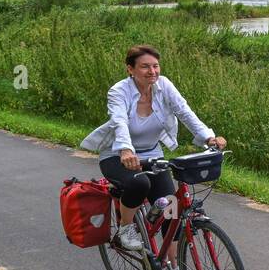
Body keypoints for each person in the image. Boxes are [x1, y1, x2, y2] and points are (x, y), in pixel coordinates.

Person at [80, 44, 225, 258]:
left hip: (152, 154)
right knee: (139, 183)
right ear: (130, 69)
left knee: (171, 208)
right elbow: (119, 121)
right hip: (117, 155)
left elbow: (185, 112)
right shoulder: (119, 91)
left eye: (156, 66)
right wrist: (126, 151)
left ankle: (177, 269)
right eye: (145, 67)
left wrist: (208, 137)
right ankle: (125, 230)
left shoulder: (164, 85)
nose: (152, 71)